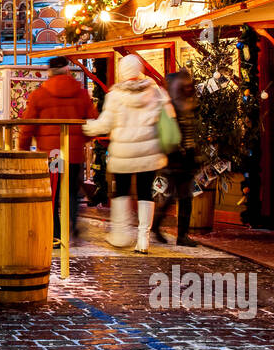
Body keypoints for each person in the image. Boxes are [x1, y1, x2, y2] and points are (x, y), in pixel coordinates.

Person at [84, 53, 175, 254]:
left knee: (121, 193)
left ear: (122, 71)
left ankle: (120, 234)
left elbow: (105, 124)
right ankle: (143, 239)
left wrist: (87, 127)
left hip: (123, 154)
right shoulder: (154, 92)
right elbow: (169, 115)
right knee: (145, 193)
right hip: (148, 154)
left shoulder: (115, 95)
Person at [18, 56, 98, 244]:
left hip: (53, 154)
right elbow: (92, 121)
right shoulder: (82, 93)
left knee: (53, 192)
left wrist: (23, 148)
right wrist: (81, 140)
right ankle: (73, 225)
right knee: (71, 191)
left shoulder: (40, 94)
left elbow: (27, 126)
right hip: (74, 153)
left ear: (50, 72)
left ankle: (56, 232)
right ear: (68, 71)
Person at [153, 70, 200, 247]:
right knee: (177, 195)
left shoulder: (187, 102)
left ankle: (178, 234)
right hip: (176, 155)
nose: (189, 87)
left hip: (187, 154)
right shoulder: (172, 106)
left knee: (182, 195)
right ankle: (171, 232)